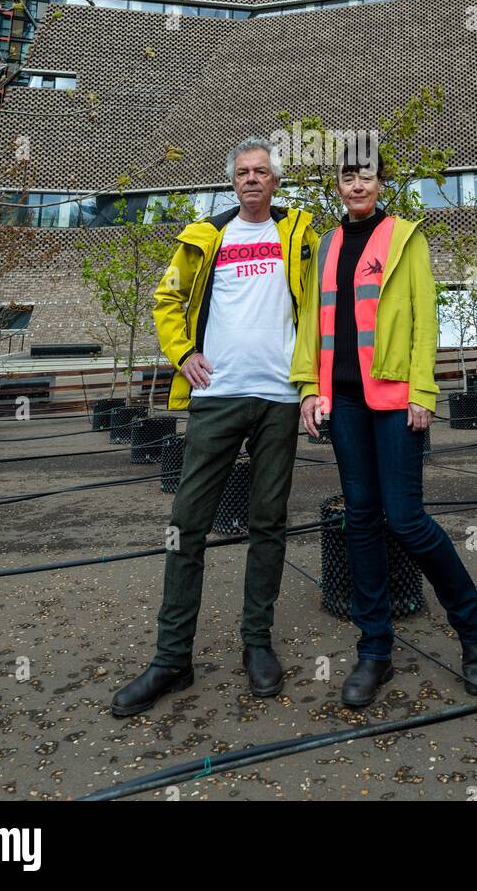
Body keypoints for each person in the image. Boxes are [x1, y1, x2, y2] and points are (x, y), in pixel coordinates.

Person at [111, 138, 318, 717]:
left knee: (268, 521)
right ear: (233, 182)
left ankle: (257, 643)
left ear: (276, 182)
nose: (253, 180)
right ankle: (171, 658)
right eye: (244, 172)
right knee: (186, 522)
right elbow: (166, 298)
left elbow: (323, 306)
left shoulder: (299, 236)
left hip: (279, 398)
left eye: (262, 172)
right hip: (216, 398)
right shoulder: (207, 236)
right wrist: (181, 355)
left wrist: (314, 384)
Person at [291, 151, 477, 708]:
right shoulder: (326, 246)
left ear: (382, 183)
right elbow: (312, 320)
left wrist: (423, 391)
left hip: (394, 398)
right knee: (360, 517)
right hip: (345, 403)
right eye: (347, 175)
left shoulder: (405, 237)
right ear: (336, 184)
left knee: (405, 518)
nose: (357, 183)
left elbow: (425, 319)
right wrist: (309, 387)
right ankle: (374, 650)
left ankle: (473, 635)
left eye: (367, 175)